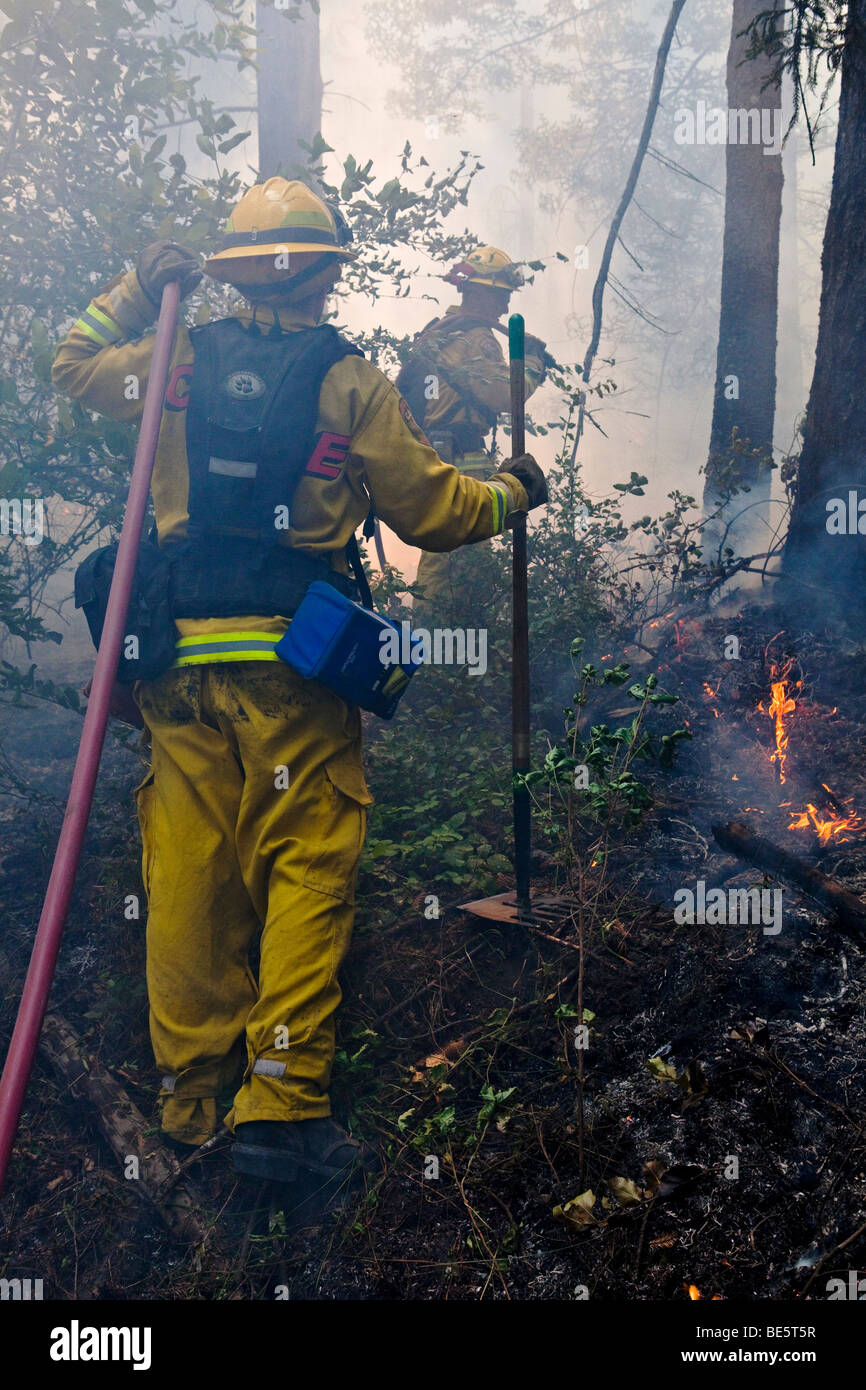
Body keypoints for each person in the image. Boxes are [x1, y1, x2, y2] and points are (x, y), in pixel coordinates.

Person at [52, 178, 547, 1216]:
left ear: (228, 272)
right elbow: (434, 515)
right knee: (305, 868)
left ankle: (189, 1105)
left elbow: (70, 363)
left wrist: (141, 288)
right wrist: (513, 490)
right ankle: (280, 1106)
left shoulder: (174, 360)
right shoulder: (350, 381)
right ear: (327, 273)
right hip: (296, 667)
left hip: (178, 666)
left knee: (188, 873)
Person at [396, 245, 549, 616]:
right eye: (501, 296)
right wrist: (532, 363)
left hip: (440, 453)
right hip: (458, 460)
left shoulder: (442, 330)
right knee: (456, 550)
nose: (505, 308)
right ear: (480, 292)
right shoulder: (475, 337)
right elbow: (504, 394)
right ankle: (437, 645)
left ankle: (445, 642)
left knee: (449, 548)